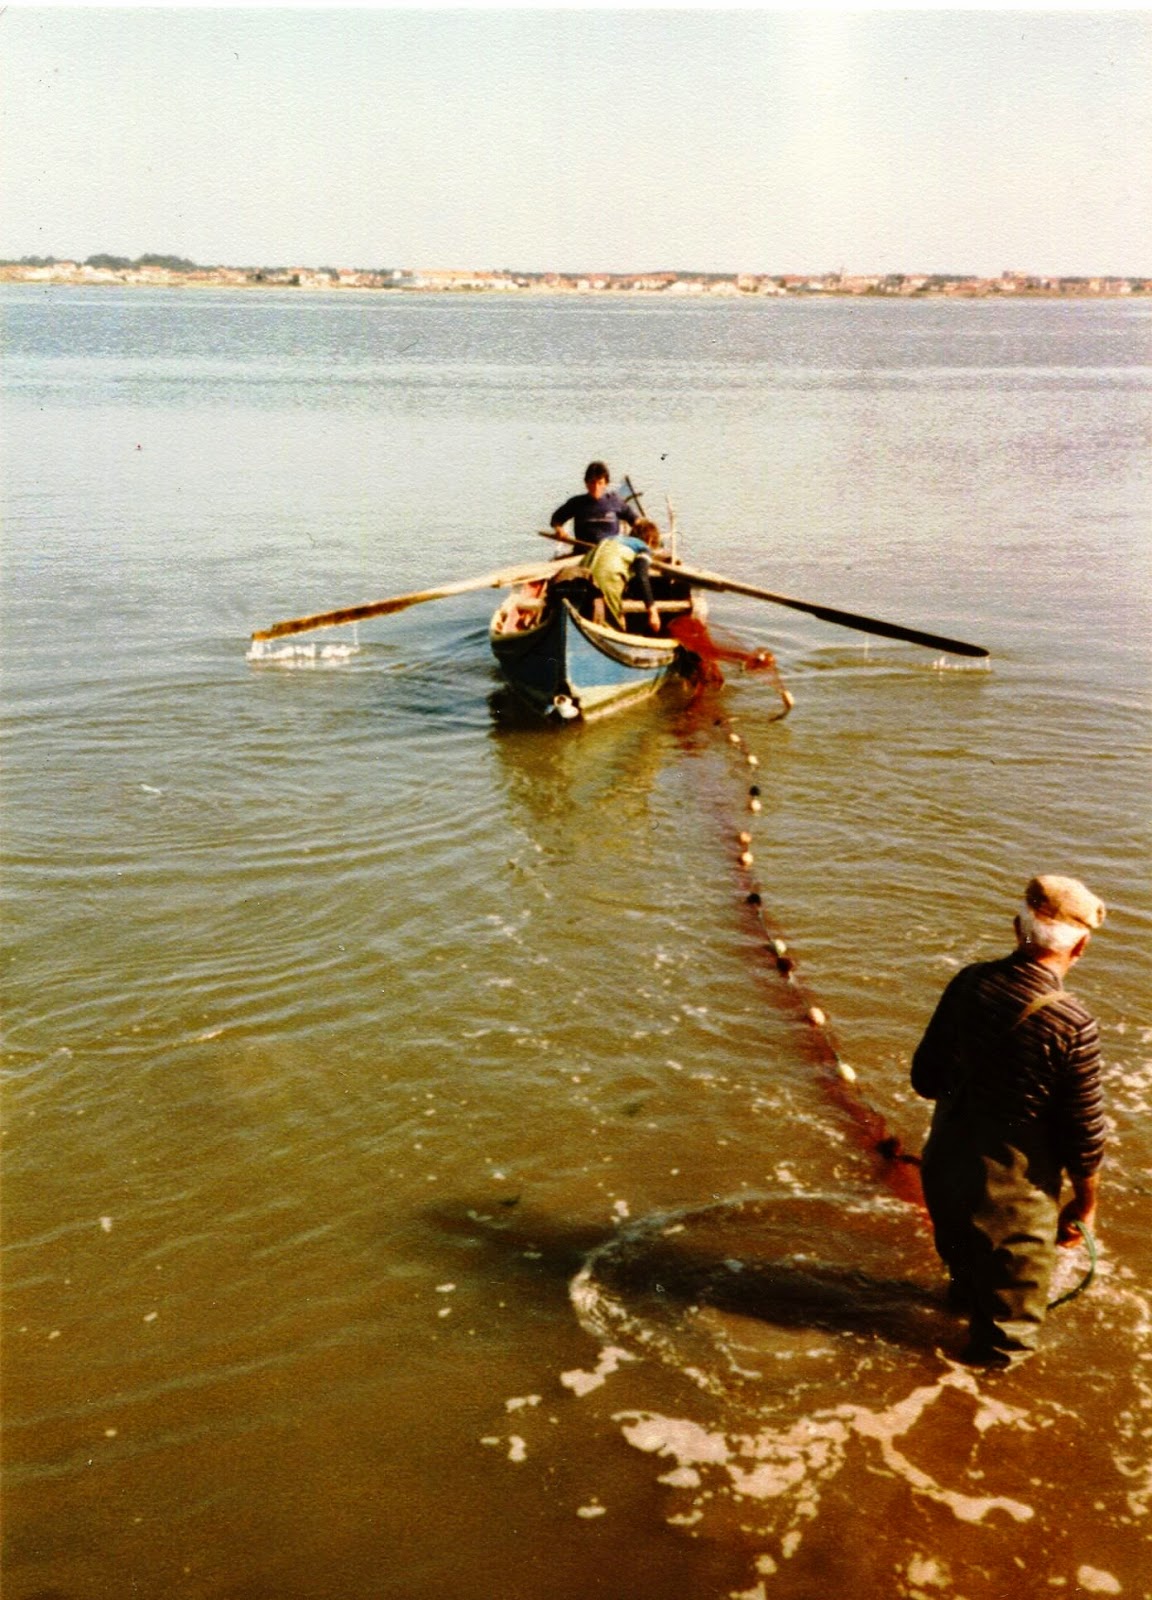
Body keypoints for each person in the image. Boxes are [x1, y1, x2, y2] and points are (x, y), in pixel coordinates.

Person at [911, 874, 1107, 1367]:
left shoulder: (970, 981)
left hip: (944, 1174)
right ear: (1080, 945)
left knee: (964, 1285)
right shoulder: (1072, 1025)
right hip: (1009, 1208)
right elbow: (1084, 1136)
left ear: (1017, 928)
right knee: (1005, 1345)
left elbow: (925, 1079)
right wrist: (1084, 1206)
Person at [584, 518, 664, 634]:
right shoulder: (642, 547)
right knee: (610, 627)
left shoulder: (609, 540)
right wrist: (653, 612)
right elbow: (641, 576)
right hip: (607, 579)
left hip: (583, 576)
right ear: (650, 540)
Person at [550, 461, 639, 549]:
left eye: (600, 483)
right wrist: (559, 530)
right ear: (586, 483)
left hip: (609, 553)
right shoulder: (577, 503)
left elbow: (636, 521)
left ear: (606, 483)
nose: (596, 487)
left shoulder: (615, 501)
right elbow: (556, 519)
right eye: (592, 482)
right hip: (583, 554)